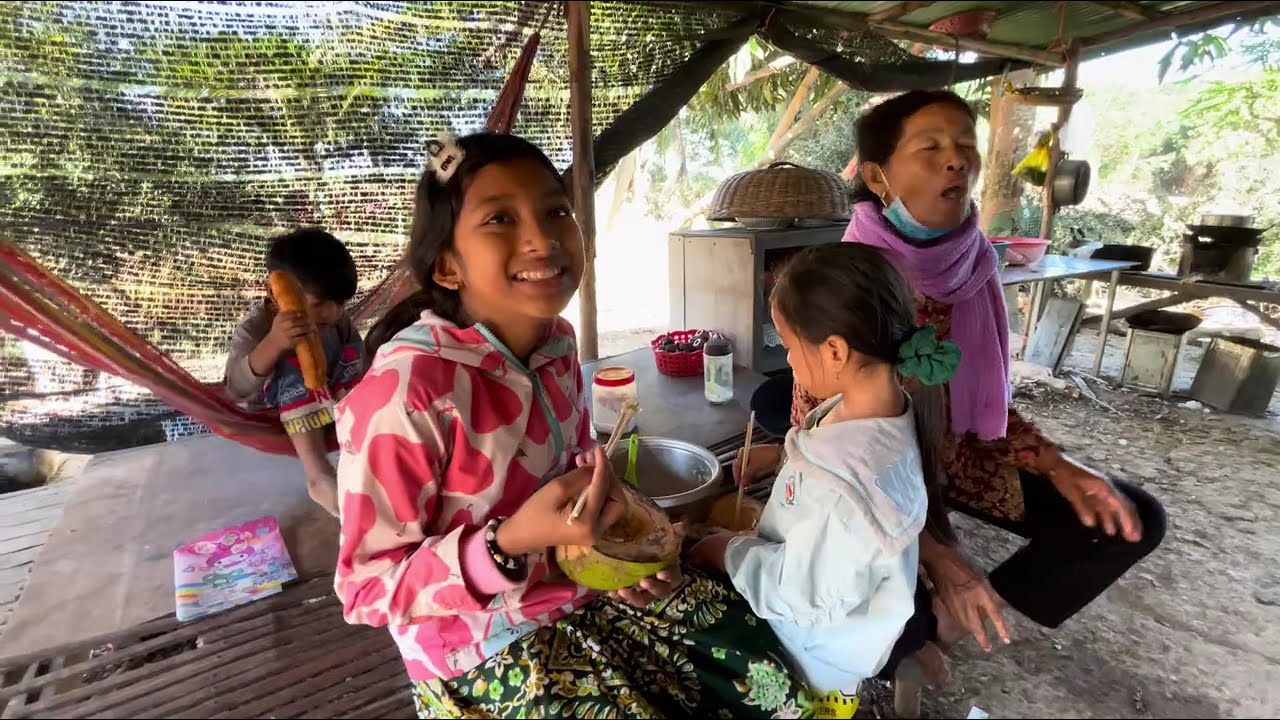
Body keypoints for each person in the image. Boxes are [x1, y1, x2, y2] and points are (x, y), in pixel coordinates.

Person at [334, 132, 816, 719]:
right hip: (479, 645)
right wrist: (507, 542)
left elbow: (577, 464)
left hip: (578, 583)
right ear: (447, 265)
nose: (541, 239)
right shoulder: (406, 396)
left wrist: (620, 553)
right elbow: (368, 591)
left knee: (760, 671)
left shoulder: (557, 346)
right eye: (499, 219)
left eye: (556, 210)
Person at [768, 90, 1167, 680]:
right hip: (874, 467)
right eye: (929, 148)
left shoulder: (976, 263)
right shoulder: (845, 281)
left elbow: (985, 407)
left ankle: (953, 616)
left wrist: (1058, 464)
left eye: (964, 146)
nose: (955, 162)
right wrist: (933, 546)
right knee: (848, 565)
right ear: (878, 176)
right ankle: (911, 633)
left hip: (962, 454)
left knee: (1130, 517)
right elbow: (830, 452)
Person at [688, 241, 961, 704]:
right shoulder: (878, 412)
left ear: (834, 350)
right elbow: (826, 458)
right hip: (822, 599)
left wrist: (726, 552)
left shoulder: (847, 493)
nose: (789, 361)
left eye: (790, 348)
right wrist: (783, 455)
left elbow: (798, 594)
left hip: (808, 655)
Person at [224, 227, 364, 516]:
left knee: (357, 353)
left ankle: (366, 449)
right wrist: (274, 344)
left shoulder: (338, 322)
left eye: (340, 303)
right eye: (319, 304)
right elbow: (235, 389)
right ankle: (319, 476)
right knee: (294, 364)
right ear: (275, 293)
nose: (332, 314)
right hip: (278, 411)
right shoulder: (255, 329)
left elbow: (356, 360)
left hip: (335, 400)